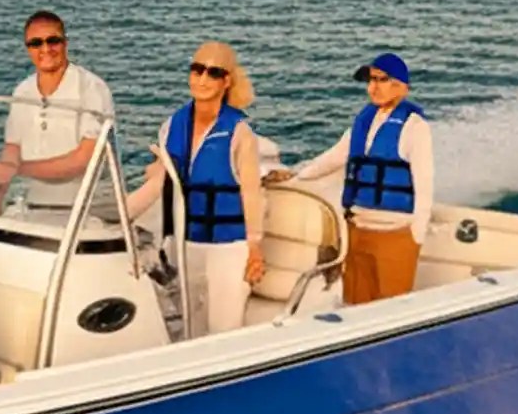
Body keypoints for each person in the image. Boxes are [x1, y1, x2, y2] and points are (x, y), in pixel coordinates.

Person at [267, 52, 433, 305]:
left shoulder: (414, 127)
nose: (373, 87)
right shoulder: (363, 123)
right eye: (370, 80)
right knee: (355, 304)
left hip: (395, 233)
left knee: (390, 308)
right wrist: (297, 176)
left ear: (401, 86)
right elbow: (334, 157)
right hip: (357, 230)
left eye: (381, 80)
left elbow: (425, 182)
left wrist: (415, 237)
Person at [126, 41, 267, 335]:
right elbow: (160, 182)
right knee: (190, 326)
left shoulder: (240, 133)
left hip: (230, 247)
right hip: (185, 243)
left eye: (213, 73)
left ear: (226, 81)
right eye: (197, 69)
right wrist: (120, 217)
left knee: (224, 329)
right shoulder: (172, 125)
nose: (202, 79)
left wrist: (255, 247)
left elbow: (251, 193)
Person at [0, 10, 116, 216]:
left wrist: (18, 170)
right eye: (36, 43)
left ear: (65, 43)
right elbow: (12, 149)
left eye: (53, 41)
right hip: (33, 204)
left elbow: (84, 159)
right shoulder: (22, 91)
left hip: (90, 210)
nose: (46, 49)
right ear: (27, 49)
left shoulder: (91, 89)